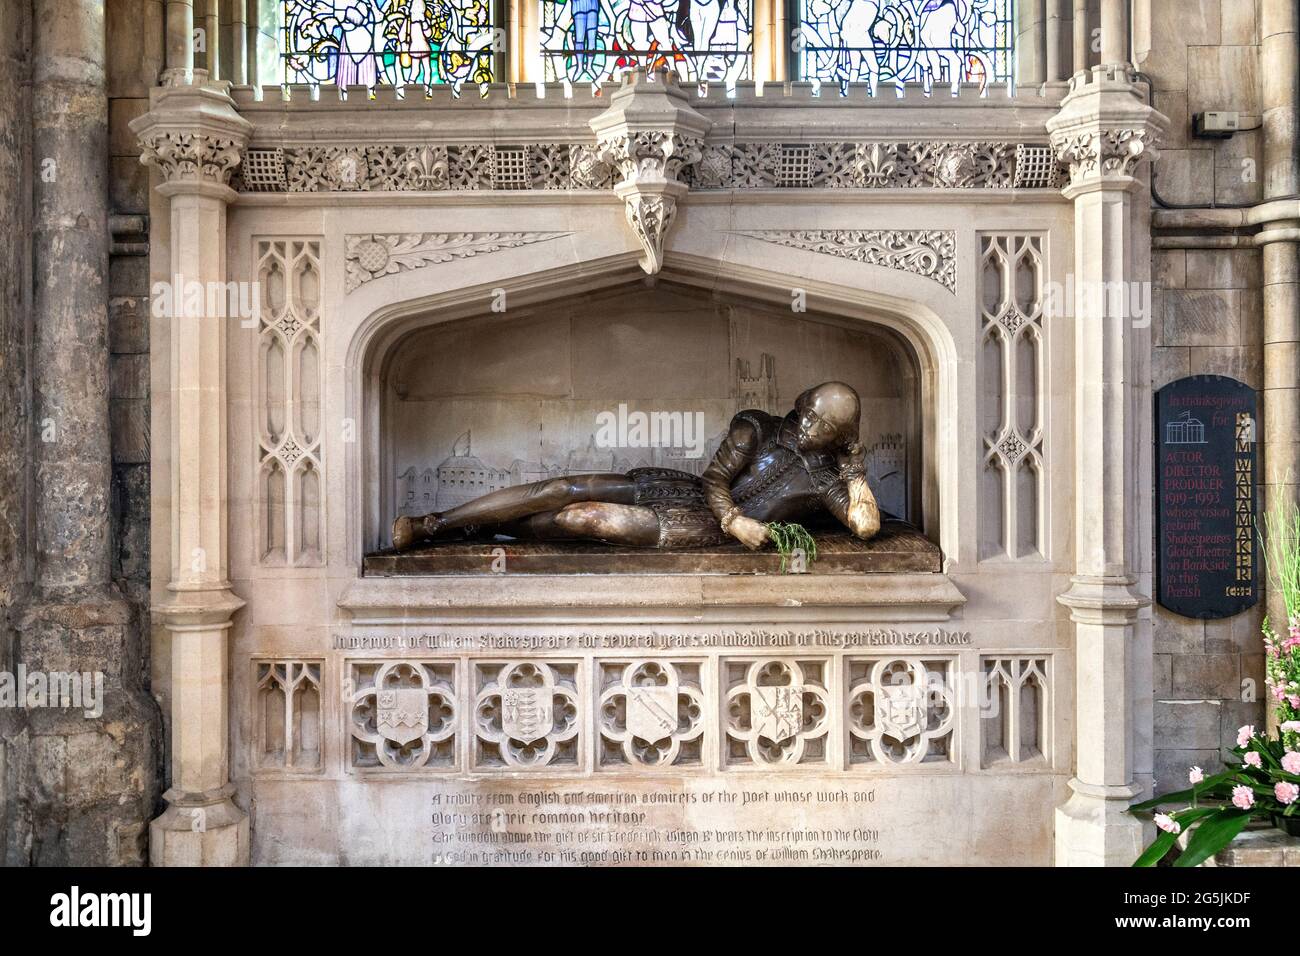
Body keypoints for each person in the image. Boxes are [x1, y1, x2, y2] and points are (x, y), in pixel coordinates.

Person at [391, 381, 881, 552]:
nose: (813, 426)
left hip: (696, 531)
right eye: (813, 414)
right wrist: (735, 520)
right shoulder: (758, 427)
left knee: (581, 517)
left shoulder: (825, 480)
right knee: (570, 486)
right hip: (693, 499)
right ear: (802, 405)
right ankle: (438, 524)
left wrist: (853, 465)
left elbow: (864, 527)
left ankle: (486, 531)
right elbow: (714, 480)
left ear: (840, 433)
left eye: (828, 425)